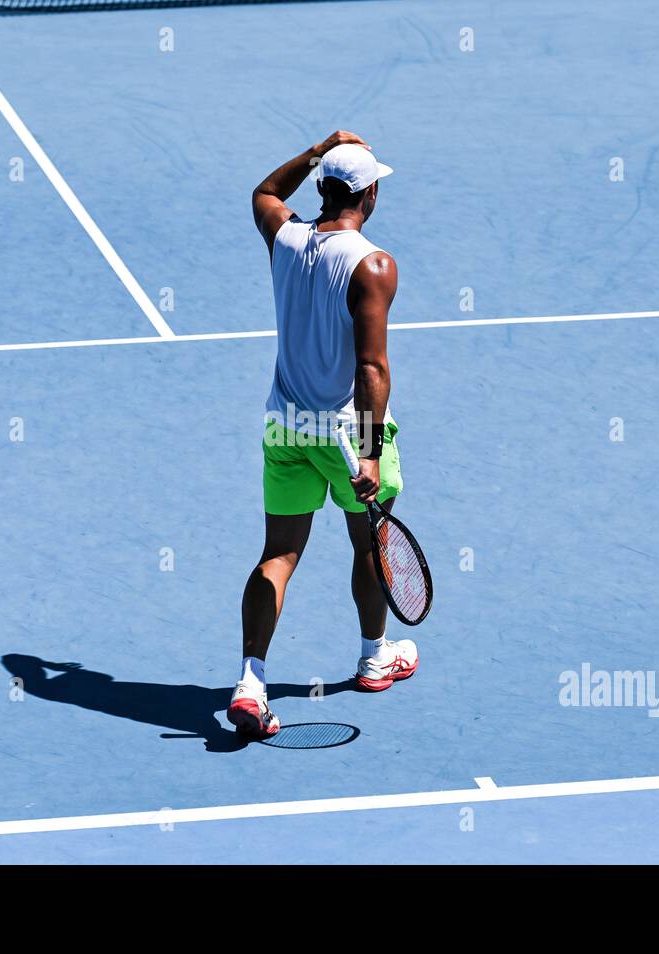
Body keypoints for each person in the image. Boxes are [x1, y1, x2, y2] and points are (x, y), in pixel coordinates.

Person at [228, 131, 419, 739]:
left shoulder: (285, 237)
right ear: (370, 194)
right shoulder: (373, 265)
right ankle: (374, 658)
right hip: (345, 435)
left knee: (278, 555)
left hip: (285, 429)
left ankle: (251, 683)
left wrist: (319, 147)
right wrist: (369, 452)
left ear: (321, 187)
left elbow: (264, 192)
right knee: (368, 543)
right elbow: (371, 368)